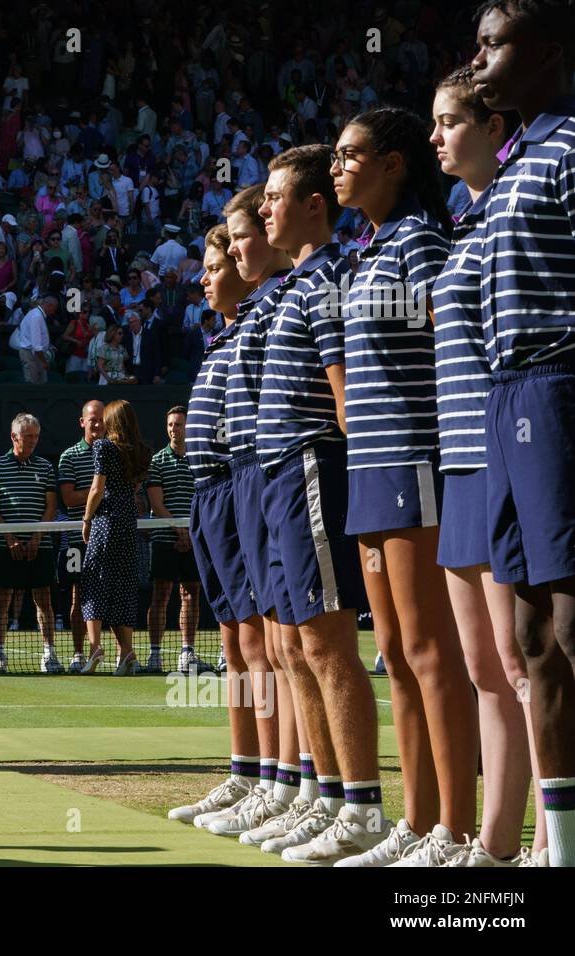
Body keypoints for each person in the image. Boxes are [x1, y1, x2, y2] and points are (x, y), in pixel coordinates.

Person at [331, 107, 478, 866]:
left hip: (413, 462)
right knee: (392, 650)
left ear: (392, 164)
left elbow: (452, 336)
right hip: (368, 469)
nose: (336, 168)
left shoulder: (420, 239)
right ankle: (416, 825)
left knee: (428, 652)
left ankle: (457, 829)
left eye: (350, 155)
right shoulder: (367, 251)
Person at [254, 146, 383, 864]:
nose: (264, 208)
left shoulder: (328, 277)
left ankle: (360, 806)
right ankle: (328, 799)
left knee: (329, 644)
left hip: (312, 465)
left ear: (313, 207)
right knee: (304, 645)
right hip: (282, 472)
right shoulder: (295, 284)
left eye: (276, 197)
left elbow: (344, 395)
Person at [429, 65, 544, 868]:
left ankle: (552, 838)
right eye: (434, 123)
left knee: (524, 661)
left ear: (493, 127)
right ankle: (497, 844)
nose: (437, 136)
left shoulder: (514, 207)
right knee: (485, 670)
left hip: (507, 452)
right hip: (460, 462)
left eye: (451, 121)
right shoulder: (461, 221)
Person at [471, 0, 575, 868]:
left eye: (493, 44)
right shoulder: (511, 164)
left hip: (557, 384)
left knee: (570, 627)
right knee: (532, 637)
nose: (478, 60)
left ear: (545, 52)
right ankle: (559, 849)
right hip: (506, 398)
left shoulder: (571, 147)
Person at [184, 223, 285, 837]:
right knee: (232, 643)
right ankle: (245, 772)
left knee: (258, 643)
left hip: (239, 483)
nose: (205, 279)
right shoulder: (220, 337)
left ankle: (274, 778)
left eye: (215, 268)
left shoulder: (257, 323)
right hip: (210, 493)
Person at [0, 412, 60, 674]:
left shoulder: (46, 467)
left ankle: (49, 654)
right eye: (28, 436)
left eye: (36, 436)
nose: (33, 441)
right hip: (5, 546)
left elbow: (50, 506)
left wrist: (36, 538)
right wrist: (10, 539)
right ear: (14, 437)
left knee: (44, 601)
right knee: (1, 601)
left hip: (40, 546)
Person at [81, 399, 151, 676]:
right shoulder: (140, 450)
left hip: (106, 521)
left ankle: (95, 648)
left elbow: (97, 489)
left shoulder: (103, 447)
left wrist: (87, 519)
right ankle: (127, 653)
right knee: (123, 586)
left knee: (94, 582)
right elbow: (134, 487)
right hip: (128, 521)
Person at [144, 407, 211, 676]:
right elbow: (156, 504)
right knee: (160, 594)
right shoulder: (157, 461)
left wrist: (190, 533)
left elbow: (204, 499)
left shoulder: (199, 459)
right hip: (164, 538)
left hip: (194, 538)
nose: (174, 429)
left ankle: (187, 653)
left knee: (191, 593)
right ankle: (155, 655)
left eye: (179, 424)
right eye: (170, 424)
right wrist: (179, 530)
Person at [57, 400, 105, 673]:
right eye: (92, 419)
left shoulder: (114, 451)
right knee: (79, 596)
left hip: (109, 536)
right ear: (82, 422)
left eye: (101, 418)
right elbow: (68, 498)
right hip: (79, 540)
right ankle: (78, 653)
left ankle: (114, 652)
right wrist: (99, 491)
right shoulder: (70, 456)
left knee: (111, 595)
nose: (97, 423)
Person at [11, 295, 55, 384]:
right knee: (33, 385)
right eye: (54, 309)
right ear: (50, 305)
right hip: (31, 355)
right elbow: (37, 346)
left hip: (35, 355)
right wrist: (44, 362)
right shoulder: (36, 316)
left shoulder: (36, 314)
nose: (53, 312)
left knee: (40, 383)